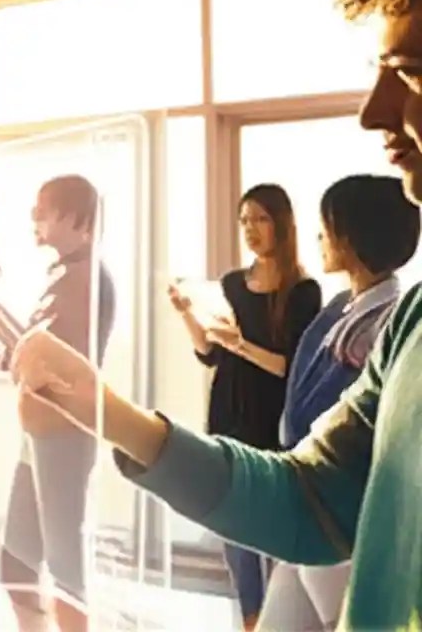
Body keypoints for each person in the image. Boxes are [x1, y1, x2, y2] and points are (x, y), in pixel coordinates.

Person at [9, 0, 422, 626]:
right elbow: (313, 496)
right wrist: (113, 413)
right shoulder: (411, 327)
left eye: (410, 72)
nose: (374, 111)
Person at [257, 175, 418, 631]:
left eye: (326, 228)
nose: (319, 239)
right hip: (308, 494)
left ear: (349, 239)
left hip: (345, 508)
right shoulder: (345, 309)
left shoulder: (387, 322)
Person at [0, 175, 115, 632]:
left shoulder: (83, 279)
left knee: (62, 565)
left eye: (44, 210)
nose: (35, 218)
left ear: (78, 220)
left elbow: (46, 356)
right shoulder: (68, 276)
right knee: (17, 566)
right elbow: (32, 348)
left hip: (63, 432)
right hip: (45, 432)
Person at [166, 183, 322, 629]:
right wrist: (187, 315)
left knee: (270, 533)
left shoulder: (303, 290)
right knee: (233, 530)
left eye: (260, 219)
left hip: (273, 424)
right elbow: (210, 354)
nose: (250, 230)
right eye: (244, 221)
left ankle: (279, 618)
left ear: (281, 224)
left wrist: (242, 345)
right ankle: (250, 620)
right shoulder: (233, 283)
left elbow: (291, 368)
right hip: (227, 416)